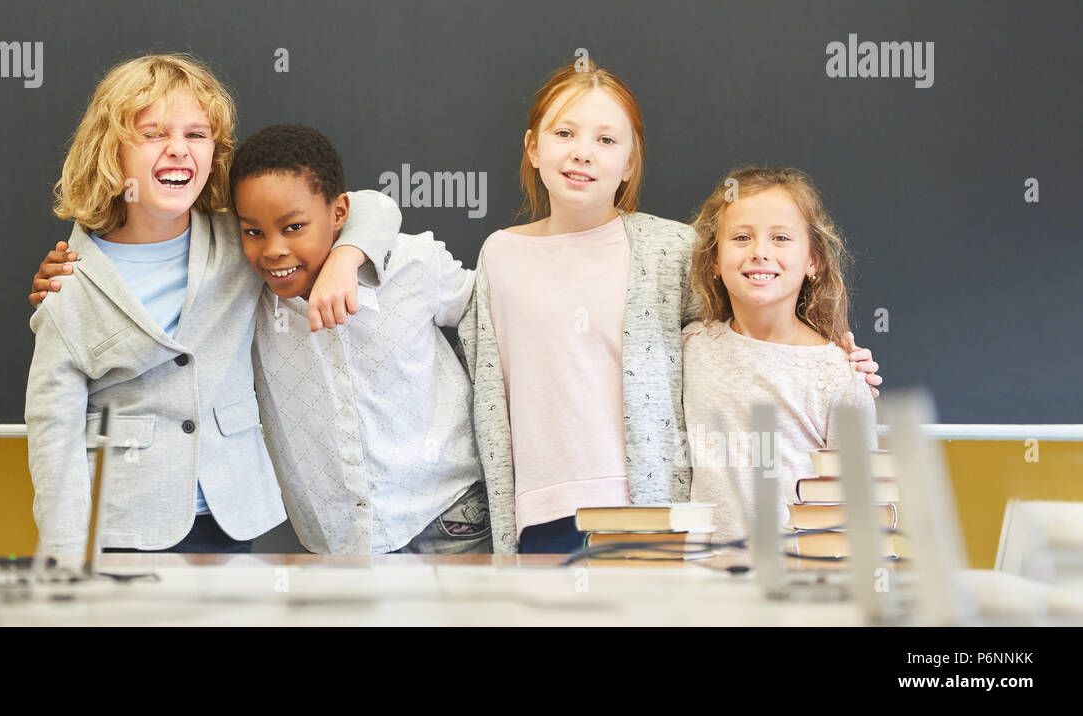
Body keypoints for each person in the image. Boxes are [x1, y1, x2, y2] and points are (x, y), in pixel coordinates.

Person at [458, 59, 882, 554]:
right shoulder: (500, 255)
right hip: (540, 510)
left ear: (630, 163)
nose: (583, 153)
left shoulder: (670, 250)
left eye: (607, 140)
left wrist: (838, 361)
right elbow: (488, 392)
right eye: (565, 133)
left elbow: (745, 333)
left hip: (651, 508)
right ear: (533, 147)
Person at [25, 54, 399, 560]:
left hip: (232, 514)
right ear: (110, 151)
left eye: (196, 135)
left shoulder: (239, 238)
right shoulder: (70, 282)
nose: (178, 149)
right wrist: (67, 558)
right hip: (122, 526)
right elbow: (54, 438)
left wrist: (344, 260)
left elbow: (374, 205)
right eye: (154, 134)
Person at [228, 124, 489, 554]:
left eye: (294, 227)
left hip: (450, 517)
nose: (272, 249)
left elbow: (493, 321)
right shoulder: (249, 297)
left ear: (338, 213)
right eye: (254, 232)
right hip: (338, 540)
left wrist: (347, 258)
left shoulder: (411, 264)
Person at [682, 166, 878, 545]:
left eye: (781, 238)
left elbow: (861, 505)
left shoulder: (839, 376)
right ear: (714, 261)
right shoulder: (691, 349)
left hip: (799, 584)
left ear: (813, 261)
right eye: (741, 237)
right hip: (706, 580)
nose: (759, 252)